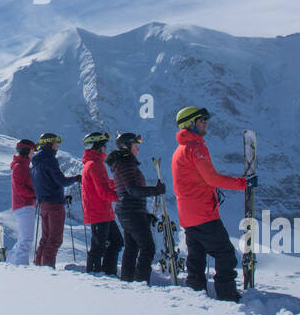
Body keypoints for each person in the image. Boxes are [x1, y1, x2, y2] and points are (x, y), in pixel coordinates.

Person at [170, 106, 256, 301]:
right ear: (190, 124)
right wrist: (243, 183)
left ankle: (196, 294)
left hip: (188, 215)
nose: (205, 123)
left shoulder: (180, 150)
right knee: (225, 254)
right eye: (202, 120)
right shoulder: (196, 148)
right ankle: (226, 294)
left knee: (196, 257)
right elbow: (212, 179)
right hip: (203, 213)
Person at [107, 132, 165, 283]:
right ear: (127, 147)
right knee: (148, 247)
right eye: (135, 145)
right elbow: (132, 190)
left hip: (129, 210)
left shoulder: (124, 163)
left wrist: (144, 214)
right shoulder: (126, 164)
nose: (138, 149)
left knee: (132, 247)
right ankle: (140, 281)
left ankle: (128, 281)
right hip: (131, 211)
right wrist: (155, 190)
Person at [30, 132, 81, 267]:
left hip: (44, 204)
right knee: (55, 239)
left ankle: (38, 266)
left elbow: (46, 184)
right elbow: (61, 181)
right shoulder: (50, 160)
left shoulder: (35, 162)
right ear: (50, 144)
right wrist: (76, 178)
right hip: (55, 205)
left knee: (45, 238)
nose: (57, 147)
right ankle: (47, 269)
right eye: (55, 144)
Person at [79, 131, 122, 276]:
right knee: (100, 247)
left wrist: (118, 184)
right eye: (103, 145)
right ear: (97, 147)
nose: (106, 148)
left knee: (114, 242)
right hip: (99, 213)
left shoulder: (95, 164)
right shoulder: (94, 165)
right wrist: (121, 197)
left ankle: (106, 273)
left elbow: (104, 183)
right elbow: (103, 191)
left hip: (103, 213)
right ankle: (95, 275)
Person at [9, 139, 37, 265]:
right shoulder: (20, 167)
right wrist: (36, 194)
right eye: (32, 150)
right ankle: (21, 266)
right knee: (26, 239)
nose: (34, 153)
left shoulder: (23, 166)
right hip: (24, 205)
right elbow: (20, 188)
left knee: (24, 238)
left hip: (25, 205)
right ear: (26, 151)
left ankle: (12, 263)